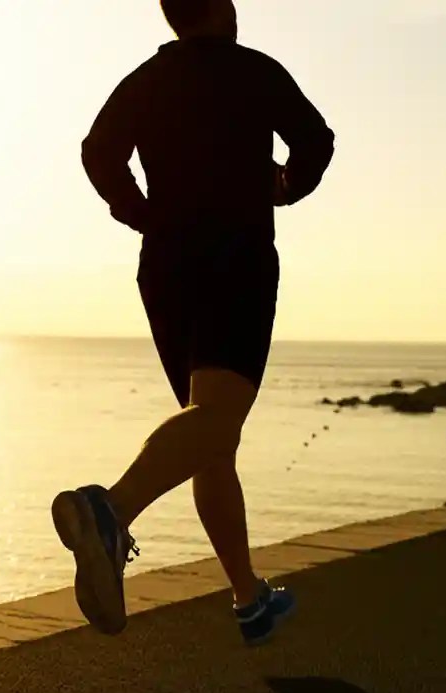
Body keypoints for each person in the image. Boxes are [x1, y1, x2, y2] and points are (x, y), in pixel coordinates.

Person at [51, 0, 334, 646]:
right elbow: (316, 141)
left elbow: (99, 152)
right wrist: (285, 186)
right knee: (217, 421)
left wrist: (142, 214)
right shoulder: (254, 72)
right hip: (237, 259)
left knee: (207, 432)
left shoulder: (148, 80)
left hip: (167, 268)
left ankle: (248, 599)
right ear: (223, 7)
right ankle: (110, 509)